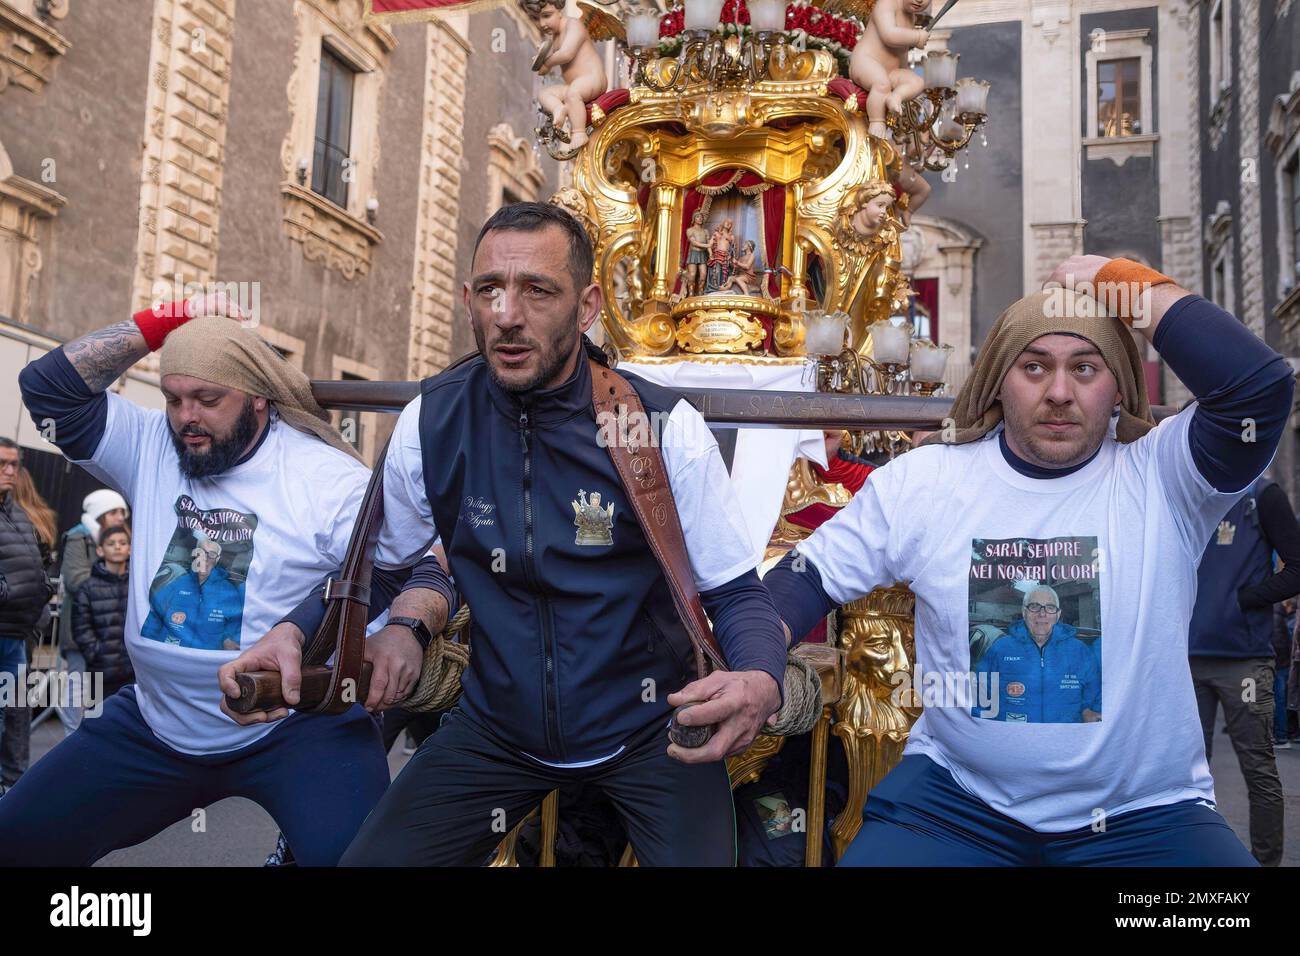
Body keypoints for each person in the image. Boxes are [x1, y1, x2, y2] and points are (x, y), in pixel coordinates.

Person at [229, 202, 788, 866]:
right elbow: (382, 569)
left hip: (652, 731)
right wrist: (293, 631)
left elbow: (736, 594)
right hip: (496, 731)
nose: (507, 314)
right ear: (468, 298)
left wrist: (759, 677)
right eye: (490, 290)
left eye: (537, 291)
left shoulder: (659, 426)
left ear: (586, 307)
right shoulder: (431, 423)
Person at [765, 254, 1294, 865]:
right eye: (1034, 367)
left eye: (1086, 369)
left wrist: (1116, 279)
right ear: (997, 380)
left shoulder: (1166, 473)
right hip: (957, 805)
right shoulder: (929, 480)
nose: (1060, 393)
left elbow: (1259, 386)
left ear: (1120, 385)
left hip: (1145, 815)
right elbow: (805, 577)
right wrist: (757, 663)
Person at [1, 293, 453, 865]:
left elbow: (420, 557)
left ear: (259, 397)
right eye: (174, 399)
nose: (187, 417)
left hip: (296, 728)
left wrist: (406, 628)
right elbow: (47, 390)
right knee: (15, 842)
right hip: (155, 722)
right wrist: (168, 320)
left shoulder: (319, 477)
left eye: (208, 399)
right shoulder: (150, 443)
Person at [1188, 476, 1300, 866]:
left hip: (1244, 658)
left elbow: (1297, 567)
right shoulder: (1186, 489)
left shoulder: (1261, 494)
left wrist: (1245, 599)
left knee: (1258, 769)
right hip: (1185, 657)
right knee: (1186, 779)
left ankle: (1265, 863)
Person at [0, 439, 56, 792]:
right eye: (2, 464)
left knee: (13, 716)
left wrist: (42, 592)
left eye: (13, 465)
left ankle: (11, 792)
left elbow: (39, 565)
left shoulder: (17, 512)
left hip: (18, 636)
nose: (9, 471)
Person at [973, 585, 1101, 723]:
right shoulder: (1000, 649)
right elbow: (980, 698)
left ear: (1058, 615)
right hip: (1014, 739)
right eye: (1034, 606)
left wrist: (1087, 711)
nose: (1042, 614)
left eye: (1050, 607)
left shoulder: (1079, 651)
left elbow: (1095, 695)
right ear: (1024, 612)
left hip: (1063, 739)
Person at [58, 489, 129, 673]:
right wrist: (112, 580)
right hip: (83, 630)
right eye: (114, 512)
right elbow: (75, 579)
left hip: (113, 634)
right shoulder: (79, 537)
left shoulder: (124, 541)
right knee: (78, 691)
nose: (121, 517)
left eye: (123, 512)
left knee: (104, 696)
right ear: (99, 515)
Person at [70, 524, 133, 704]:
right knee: (98, 721)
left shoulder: (136, 586)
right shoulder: (87, 588)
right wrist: (96, 654)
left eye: (122, 542)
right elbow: (81, 629)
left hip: (133, 671)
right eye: (111, 543)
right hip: (100, 672)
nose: (117, 546)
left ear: (130, 549)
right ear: (100, 550)